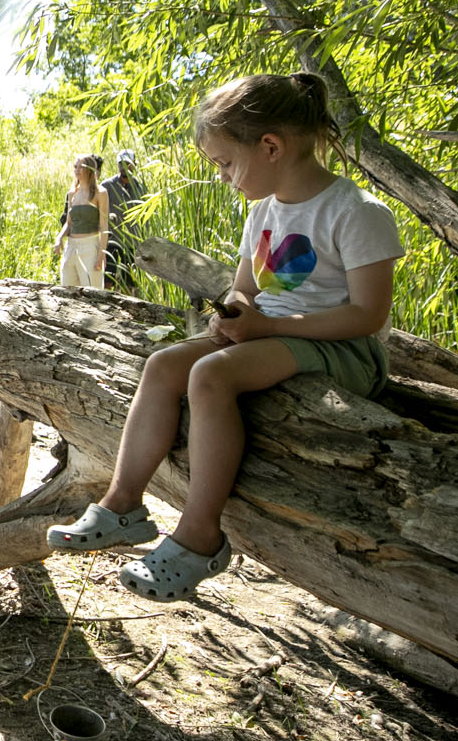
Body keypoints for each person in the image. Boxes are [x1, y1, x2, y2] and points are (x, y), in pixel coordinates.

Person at [47, 73, 403, 600]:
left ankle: (199, 537)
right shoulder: (264, 211)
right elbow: (245, 289)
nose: (222, 177)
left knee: (211, 376)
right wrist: (233, 315)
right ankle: (122, 506)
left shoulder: (356, 212)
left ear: (271, 147)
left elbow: (368, 316)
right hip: (272, 337)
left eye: (225, 163)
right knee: (164, 365)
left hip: (343, 349)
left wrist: (266, 326)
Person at [53, 153, 110, 289]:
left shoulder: (100, 193)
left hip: (90, 246)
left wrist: (102, 254)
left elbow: (103, 225)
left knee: (93, 292)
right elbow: (69, 223)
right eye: (75, 167)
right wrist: (59, 238)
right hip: (71, 247)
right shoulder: (72, 193)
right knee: (67, 292)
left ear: (90, 169)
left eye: (81, 167)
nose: (77, 170)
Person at [101, 149, 144, 294]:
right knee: (107, 281)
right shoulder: (107, 186)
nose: (124, 167)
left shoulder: (140, 188)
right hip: (112, 241)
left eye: (128, 163)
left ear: (134, 164)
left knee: (130, 284)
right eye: (121, 164)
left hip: (132, 243)